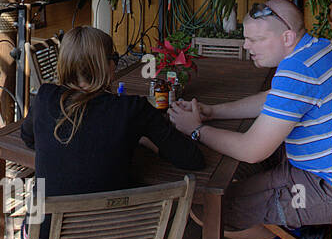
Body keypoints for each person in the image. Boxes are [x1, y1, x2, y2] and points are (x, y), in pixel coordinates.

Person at [168, 0, 332, 236]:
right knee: (229, 182)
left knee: (210, 210)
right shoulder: (319, 48)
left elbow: (252, 151)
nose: (246, 46)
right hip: (325, 171)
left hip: (326, 187)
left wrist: (196, 130)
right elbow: (273, 97)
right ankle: (294, 236)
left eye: (255, 39)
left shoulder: (297, 70)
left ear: (287, 37)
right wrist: (213, 111)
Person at [19, 26, 204, 198]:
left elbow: (28, 138)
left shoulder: (45, 96)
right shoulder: (133, 109)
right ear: (107, 66)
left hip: (44, 230)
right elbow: (192, 159)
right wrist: (147, 141)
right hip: (113, 230)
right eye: (114, 59)